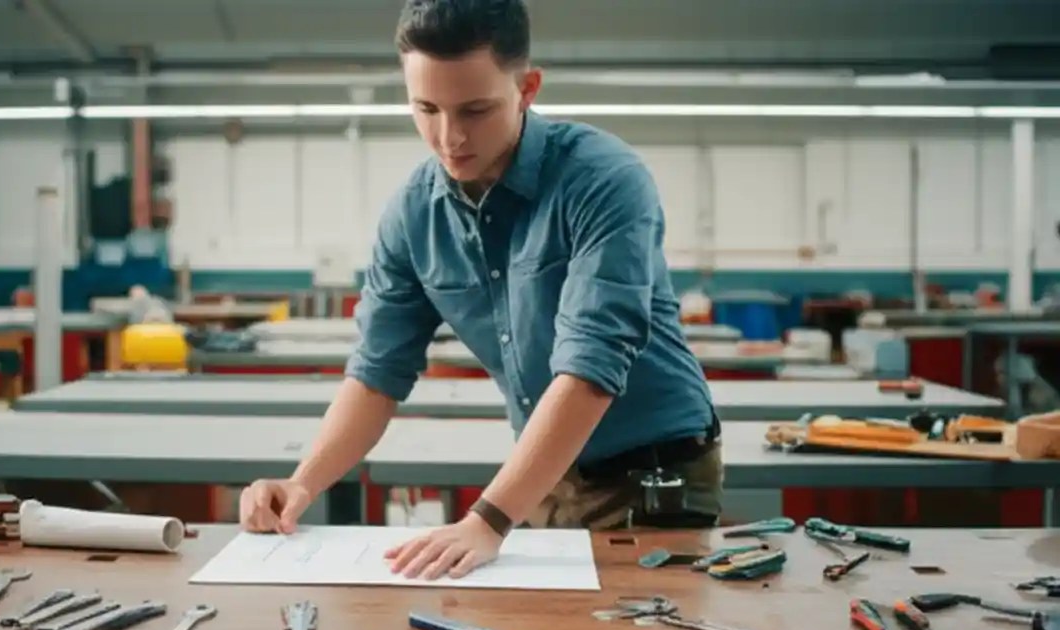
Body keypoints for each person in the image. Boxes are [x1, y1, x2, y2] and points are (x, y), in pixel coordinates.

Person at [238, 0, 722, 581]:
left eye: (475, 110)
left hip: (654, 477)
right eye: (426, 109)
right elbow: (375, 373)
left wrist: (488, 520)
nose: (450, 138)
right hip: (539, 476)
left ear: (528, 88)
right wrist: (302, 481)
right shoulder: (414, 212)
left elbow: (591, 366)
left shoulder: (604, 180)